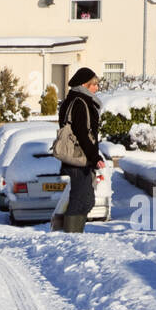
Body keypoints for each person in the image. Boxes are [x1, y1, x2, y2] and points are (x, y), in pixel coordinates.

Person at [55, 68, 104, 233]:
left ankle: (73, 232)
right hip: (77, 157)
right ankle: (71, 236)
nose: (97, 88)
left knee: (87, 200)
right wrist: (95, 156)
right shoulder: (79, 102)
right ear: (84, 84)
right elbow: (82, 134)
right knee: (80, 198)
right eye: (94, 84)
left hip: (84, 157)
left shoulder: (80, 100)